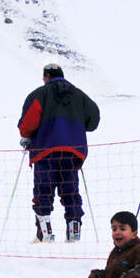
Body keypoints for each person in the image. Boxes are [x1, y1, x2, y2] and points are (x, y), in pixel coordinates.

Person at [18, 63, 101, 243]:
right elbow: (93, 120)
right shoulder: (79, 95)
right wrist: (76, 127)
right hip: (72, 151)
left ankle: (45, 234)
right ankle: (74, 232)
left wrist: (25, 137)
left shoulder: (39, 94)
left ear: (47, 76)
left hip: (45, 150)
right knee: (70, 190)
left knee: (43, 190)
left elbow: (28, 121)